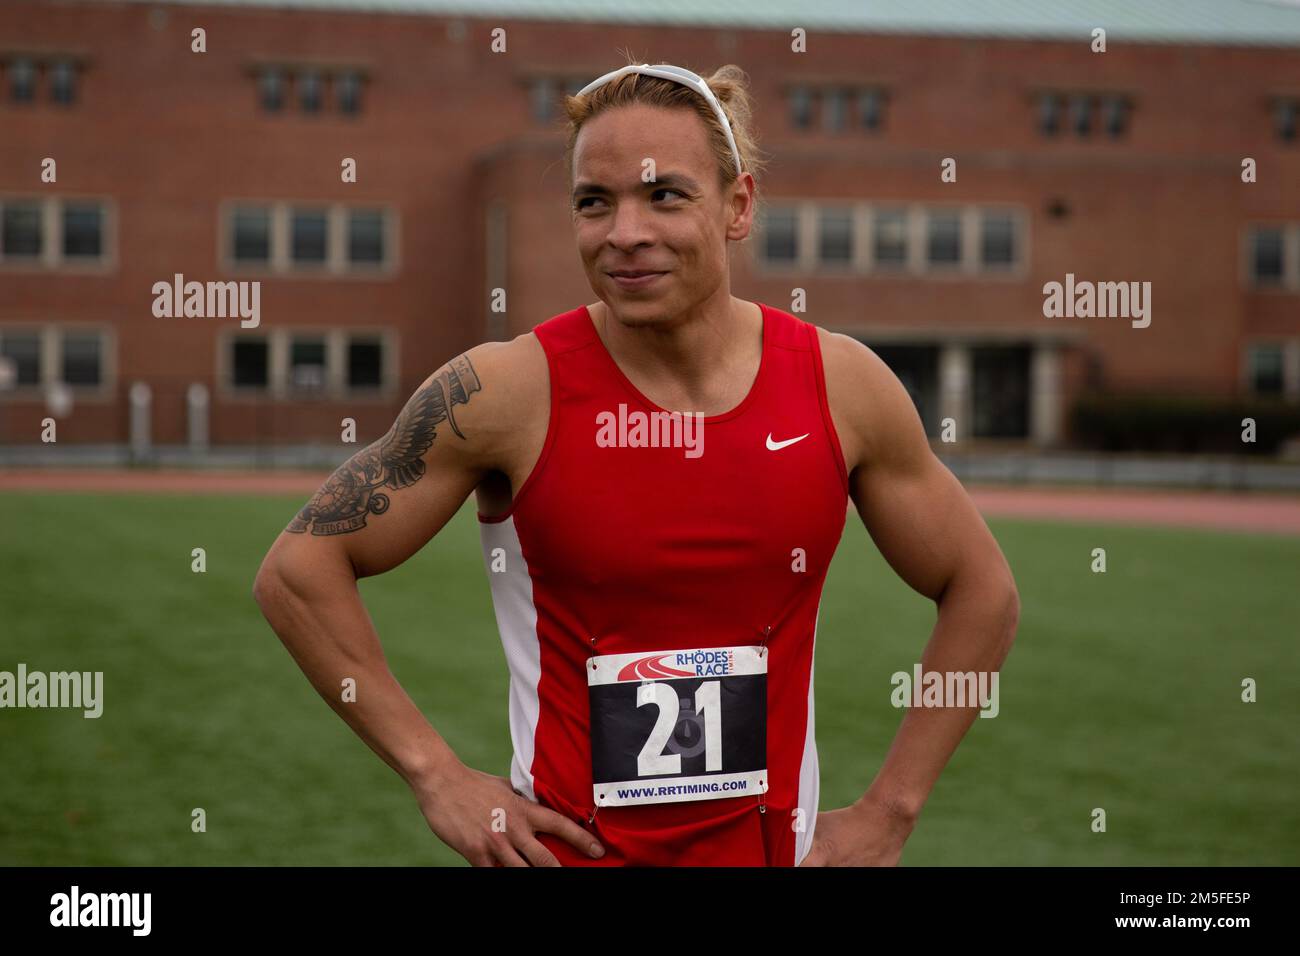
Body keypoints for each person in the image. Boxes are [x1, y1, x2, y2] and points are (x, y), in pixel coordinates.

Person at [252, 60, 1019, 867]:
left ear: (738, 205)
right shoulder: (505, 390)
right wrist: (434, 773)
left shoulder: (841, 386)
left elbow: (982, 590)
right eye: (595, 202)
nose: (624, 232)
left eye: (664, 195)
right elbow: (300, 570)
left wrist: (891, 810)